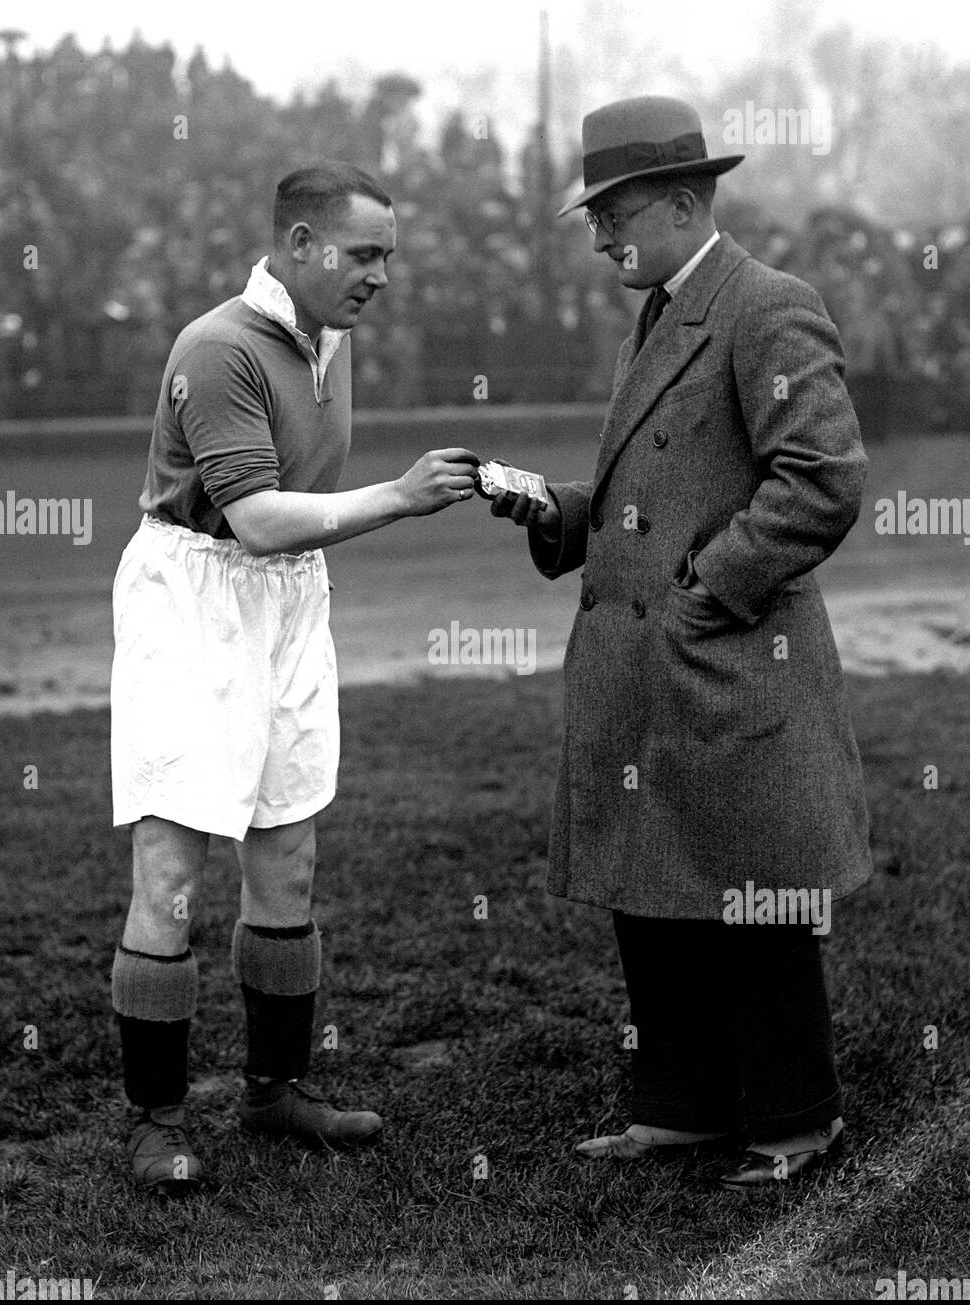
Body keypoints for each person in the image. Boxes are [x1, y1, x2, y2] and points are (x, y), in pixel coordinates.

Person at [490, 97, 871, 1188]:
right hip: (655, 672)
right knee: (655, 891)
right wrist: (555, 511)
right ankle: (683, 1105)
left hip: (731, 659)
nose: (600, 234)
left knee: (750, 900)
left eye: (614, 212)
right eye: (594, 215)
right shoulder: (662, 312)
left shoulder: (767, 307)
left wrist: (709, 588)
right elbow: (654, 492)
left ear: (684, 201)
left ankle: (795, 1115)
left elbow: (824, 480)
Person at [110, 160, 479, 1193]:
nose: (380, 277)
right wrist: (402, 498)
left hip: (288, 595)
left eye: (389, 258)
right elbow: (257, 517)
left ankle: (274, 1090)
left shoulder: (334, 338)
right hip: (193, 595)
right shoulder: (217, 345)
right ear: (301, 243)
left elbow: (291, 532)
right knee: (173, 866)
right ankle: (156, 1118)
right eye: (364, 254)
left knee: (288, 856)